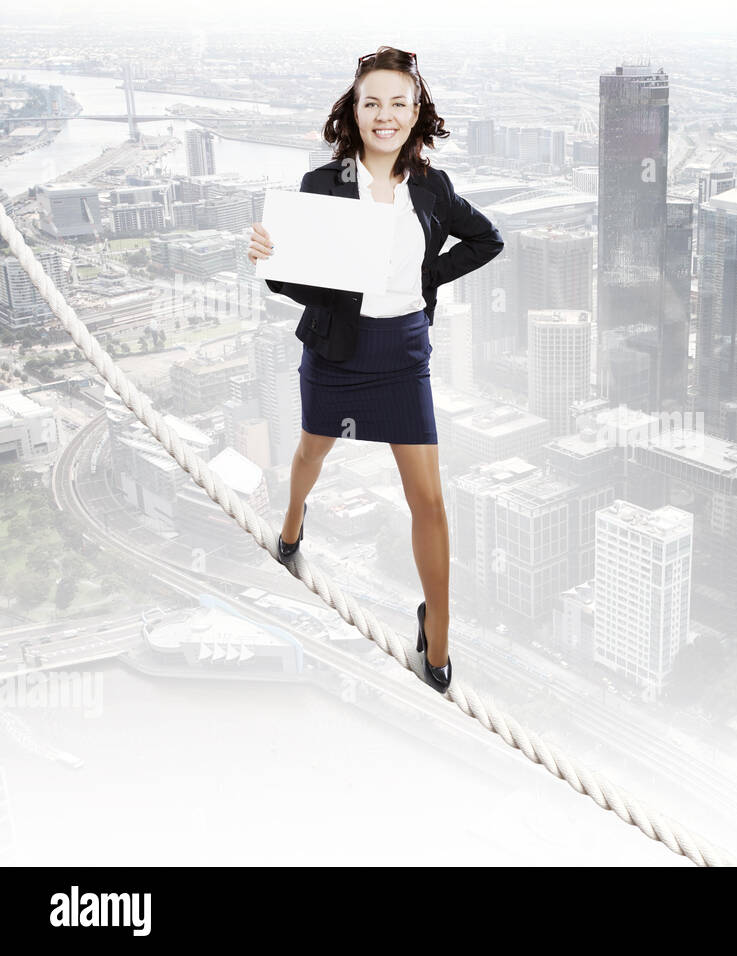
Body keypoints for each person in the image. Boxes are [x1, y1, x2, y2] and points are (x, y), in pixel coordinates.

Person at [247, 46, 503, 694]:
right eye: (372, 102)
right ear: (353, 112)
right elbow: (293, 282)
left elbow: (487, 240)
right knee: (310, 453)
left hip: (403, 356)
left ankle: (437, 635)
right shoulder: (322, 186)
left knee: (430, 500)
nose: (385, 114)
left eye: (398, 102)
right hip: (339, 351)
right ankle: (293, 520)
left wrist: (423, 277)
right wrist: (272, 260)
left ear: (418, 113)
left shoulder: (433, 189)